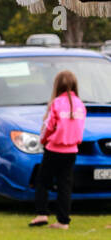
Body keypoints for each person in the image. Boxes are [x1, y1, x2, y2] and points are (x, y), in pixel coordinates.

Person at [30, 70, 85, 229]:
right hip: (72, 150)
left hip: (54, 149)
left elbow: (49, 126)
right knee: (65, 185)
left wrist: (43, 139)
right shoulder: (80, 105)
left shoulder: (56, 104)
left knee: (42, 181)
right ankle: (63, 220)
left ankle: (42, 213)